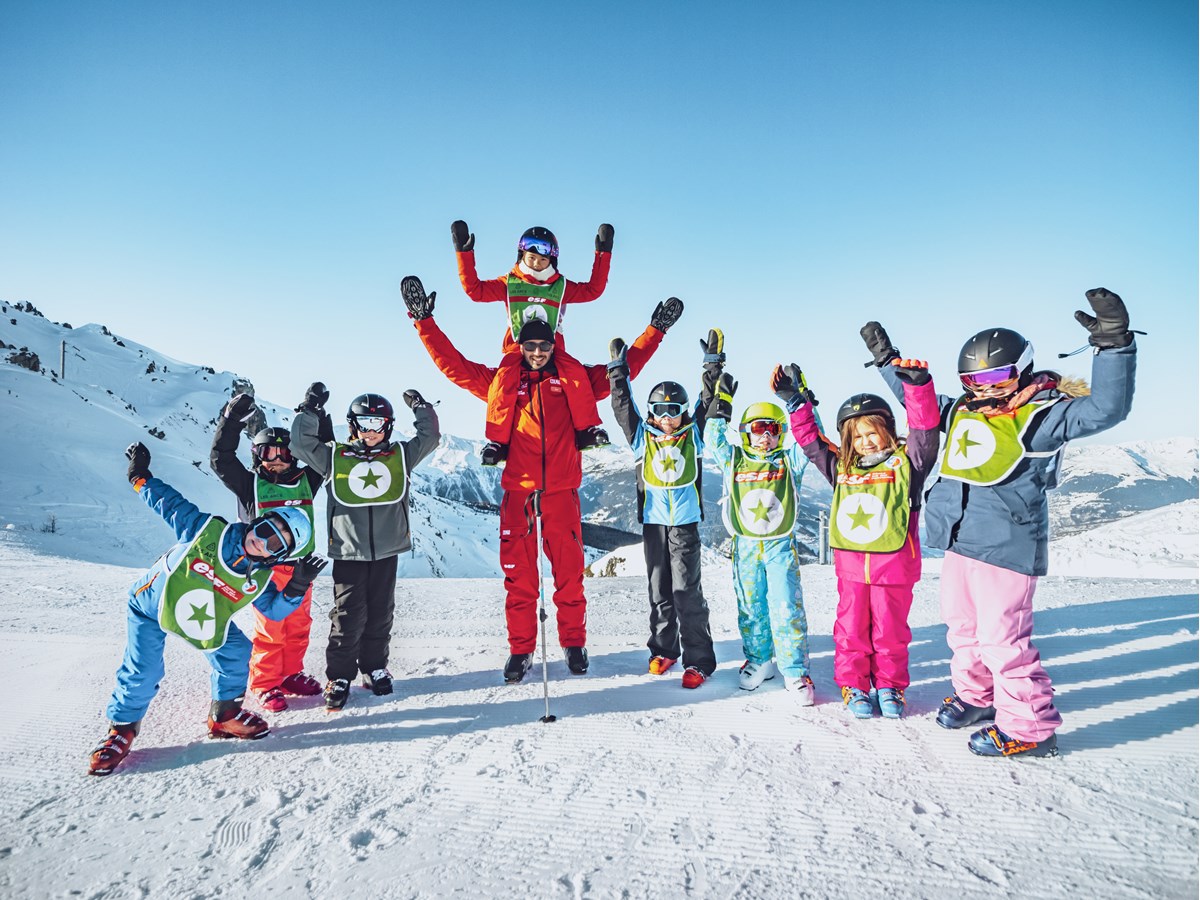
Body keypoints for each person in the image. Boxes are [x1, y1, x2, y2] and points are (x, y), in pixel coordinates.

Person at [861, 287, 1137, 757]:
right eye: (973, 380)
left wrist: (1113, 345)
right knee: (962, 630)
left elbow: (1106, 409)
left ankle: (1030, 727)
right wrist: (889, 362)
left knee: (1002, 639)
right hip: (959, 539)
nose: (984, 389)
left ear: (1021, 369)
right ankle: (978, 696)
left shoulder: (1044, 416)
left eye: (995, 377)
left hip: (1007, 546)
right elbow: (916, 399)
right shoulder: (960, 410)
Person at [401, 274, 681, 682]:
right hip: (518, 494)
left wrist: (655, 331)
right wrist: (424, 321)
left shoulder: (575, 380)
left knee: (569, 576)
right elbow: (455, 366)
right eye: (529, 346)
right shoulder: (501, 381)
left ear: (554, 346)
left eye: (544, 346)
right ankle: (521, 650)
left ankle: (574, 644)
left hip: (561, 493)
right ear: (520, 346)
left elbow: (624, 369)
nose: (536, 352)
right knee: (520, 578)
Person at [88, 442, 325, 777]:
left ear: (277, 556)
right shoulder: (208, 531)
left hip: (207, 619)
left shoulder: (260, 578)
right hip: (154, 605)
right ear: (256, 521)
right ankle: (121, 730)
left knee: (237, 652)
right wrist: (140, 477)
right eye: (263, 530)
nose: (260, 541)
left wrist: (296, 587)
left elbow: (273, 611)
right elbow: (170, 504)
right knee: (143, 670)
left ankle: (224, 714)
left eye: (273, 544)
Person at [775, 359, 940, 719]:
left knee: (890, 631)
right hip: (851, 570)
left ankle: (890, 685)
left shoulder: (907, 465)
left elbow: (925, 432)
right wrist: (796, 403)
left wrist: (918, 389)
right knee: (851, 630)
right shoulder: (842, 468)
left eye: (872, 433)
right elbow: (812, 444)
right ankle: (854, 684)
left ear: (887, 430)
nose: (865, 442)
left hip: (894, 567)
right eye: (857, 436)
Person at [290, 384, 440, 710]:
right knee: (347, 615)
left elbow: (429, 438)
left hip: (386, 550)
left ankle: (374, 668)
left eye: (378, 424)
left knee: (381, 613)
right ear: (353, 425)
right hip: (349, 549)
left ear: (388, 426)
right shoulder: (334, 458)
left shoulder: (400, 455)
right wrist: (310, 409)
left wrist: (421, 407)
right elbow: (300, 444)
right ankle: (339, 676)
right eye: (364, 423)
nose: (371, 431)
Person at [606, 329, 723, 688]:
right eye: (660, 410)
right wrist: (617, 372)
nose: (667, 417)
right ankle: (664, 649)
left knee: (687, 592)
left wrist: (712, 367)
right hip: (653, 524)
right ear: (652, 413)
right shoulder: (642, 437)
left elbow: (709, 401)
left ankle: (698, 660)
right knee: (659, 591)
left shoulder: (694, 434)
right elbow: (623, 408)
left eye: (674, 410)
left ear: (683, 412)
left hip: (684, 525)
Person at [449, 219, 615, 465]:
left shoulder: (560, 286)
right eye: (532, 258)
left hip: (552, 350)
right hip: (517, 349)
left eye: (543, 260)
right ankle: (498, 442)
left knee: (575, 375)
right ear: (522, 256)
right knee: (503, 382)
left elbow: (593, 291)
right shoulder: (510, 283)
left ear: (552, 261)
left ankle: (586, 430)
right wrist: (464, 254)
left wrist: (603, 254)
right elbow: (475, 290)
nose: (537, 264)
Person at [703, 365, 817, 704]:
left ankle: (794, 670)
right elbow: (713, 440)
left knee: (786, 605)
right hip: (746, 547)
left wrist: (801, 400)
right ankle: (759, 660)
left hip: (781, 546)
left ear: (781, 433)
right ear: (745, 432)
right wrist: (721, 404)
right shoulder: (734, 459)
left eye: (772, 429)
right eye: (757, 428)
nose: (765, 435)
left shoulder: (788, 460)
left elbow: (812, 440)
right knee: (751, 605)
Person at [210, 393, 328, 712]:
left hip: (300, 568)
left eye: (283, 453)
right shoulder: (250, 486)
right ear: (256, 456)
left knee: (298, 625)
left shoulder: (307, 481)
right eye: (267, 453)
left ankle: (289, 673)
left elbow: (324, 451)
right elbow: (221, 460)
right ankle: (265, 682)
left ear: (294, 456)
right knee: (271, 628)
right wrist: (231, 420)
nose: (275, 459)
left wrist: (317, 413)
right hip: (266, 572)